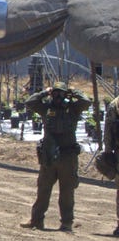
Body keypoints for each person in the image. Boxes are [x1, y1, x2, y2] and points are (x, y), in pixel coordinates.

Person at [20, 82, 92, 232]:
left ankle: (66, 222)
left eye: (61, 93)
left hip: (68, 156)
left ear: (66, 95)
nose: (58, 96)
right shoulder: (46, 108)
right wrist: (45, 92)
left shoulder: (72, 109)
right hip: (49, 157)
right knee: (43, 190)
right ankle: (36, 220)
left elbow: (86, 101)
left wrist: (74, 91)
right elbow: (30, 102)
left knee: (67, 192)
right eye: (56, 93)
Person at [103, 95, 119, 237]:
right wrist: (108, 151)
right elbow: (109, 127)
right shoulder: (116, 105)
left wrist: (108, 150)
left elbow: (108, 127)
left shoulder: (116, 104)